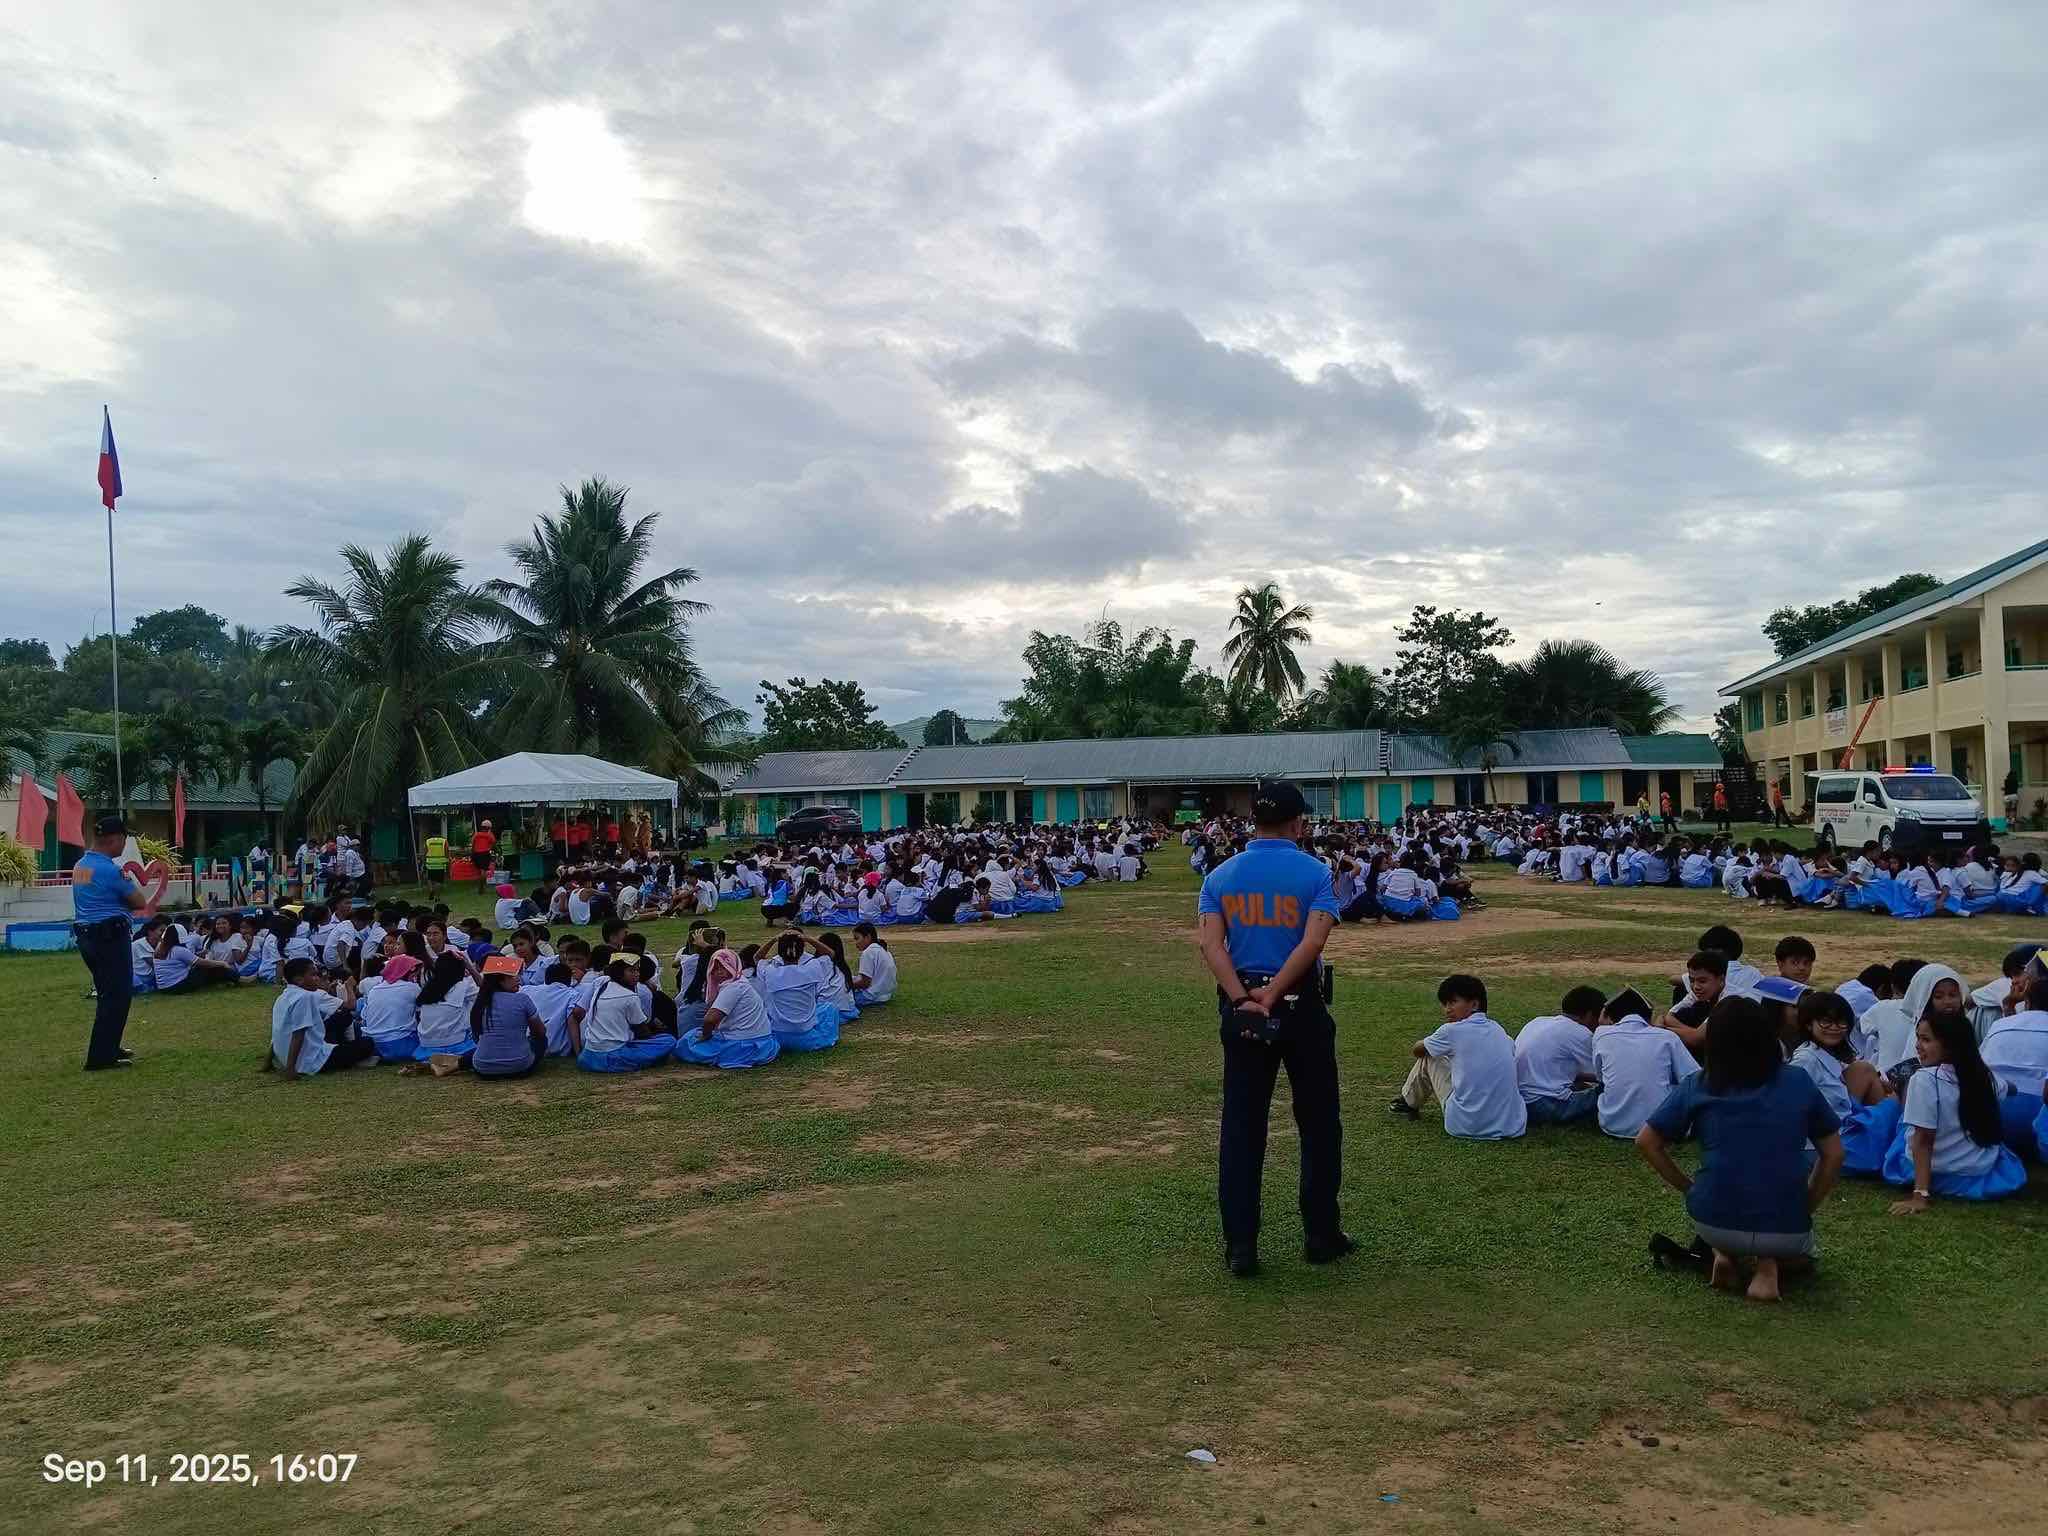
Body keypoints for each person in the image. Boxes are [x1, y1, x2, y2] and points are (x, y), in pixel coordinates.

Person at [1195, 779, 1348, 1278]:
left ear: (1252, 821)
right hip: (1301, 1008)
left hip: (1240, 1013)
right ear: (1300, 823)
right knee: (1319, 1124)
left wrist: (1244, 998)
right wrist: (1276, 991)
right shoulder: (1315, 873)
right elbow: (1312, 942)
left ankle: (1241, 1246)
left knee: (1241, 1128)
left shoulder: (1220, 876)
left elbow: (1212, 947)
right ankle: (1321, 1235)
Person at [1636, 997, 1844, 1303]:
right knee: (1801, 1252)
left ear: (1714, 1041)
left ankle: (1725, 1255)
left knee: (1729, 1213)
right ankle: (1767, 1268)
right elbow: (1834, 1154)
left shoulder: (1699, 1083)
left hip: (1712, 1223)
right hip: (1786, 1229)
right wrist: (1806, 1205)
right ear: (1767, 1035)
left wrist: (1689, 1189)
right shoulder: (1798, 1081)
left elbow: (1646, 1141)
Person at [1884, 1010, 2028, 1208]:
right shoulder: (1984, 1077)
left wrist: (1920, 1194)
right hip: (1976, 1176)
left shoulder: (1924, 1079)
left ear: (1950, 1046)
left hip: (1935, 1175)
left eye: (1925, 1040)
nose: (1917, 1046)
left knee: (1904, 1124)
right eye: (1918, 1038)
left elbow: (1923, 1139)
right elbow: (2011, 1089)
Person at [1392, 975, 1527, 1139]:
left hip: (1465, 1125)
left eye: (1453, 1002)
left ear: (1475, 1004)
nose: (1447, 1009)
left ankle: (1408, 1102)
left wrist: (1428, 1042)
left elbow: (1418, 1051)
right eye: (1445, 1003)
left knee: (1430, 1055)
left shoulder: (1450, 1031)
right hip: (1511, 1126)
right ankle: (1408, 1101)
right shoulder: (1499, 1031)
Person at [71, 816, 157, 1071]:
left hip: (88, 936)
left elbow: (92, 895)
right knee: (117, 995)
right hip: (109, 936)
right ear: (115, 839)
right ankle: (100, 1057)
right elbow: (139, 901)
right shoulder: (111, 869)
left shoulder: (81, 866)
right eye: (124, 839)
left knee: (107, 993)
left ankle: (109, 1046)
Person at [1595, 987, 1697, 1139]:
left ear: (1607, 1016)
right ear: (1648, 1018)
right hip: (1662, 1128)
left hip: (1612, 1125)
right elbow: (1693, 1078)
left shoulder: (1601, 1035)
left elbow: (1601, 1079)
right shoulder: (1666, 1037)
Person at [268, 958, 376, 1078]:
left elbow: (277, 1032)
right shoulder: (304, 997)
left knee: (342, 1021)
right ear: (299, 980)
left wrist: (268, 1062)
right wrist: (290, 1069)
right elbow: (298, 1032)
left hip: (289, 1056)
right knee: (367, 1043)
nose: (317, 979)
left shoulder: (283, 997)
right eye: (313, 975)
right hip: (310, 1061)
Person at [1514, 986, 1606, 1127]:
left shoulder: (1538, 1021)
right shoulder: (1581, 1033)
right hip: (1545, 1106)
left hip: (1520, 1102)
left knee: (1582, 1085)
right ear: (1589, 1015)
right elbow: (1609, 1073)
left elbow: (1550, 1069)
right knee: (1610, 1091)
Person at [676, 947, 781, 1069]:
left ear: (735, 965)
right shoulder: (741, 982)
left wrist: (706, 1036)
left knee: (687, 1041)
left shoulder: (733, 987)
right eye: (716, 967)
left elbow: (710, 1020)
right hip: (763, 1044)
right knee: (694, 1035)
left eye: (724, 966)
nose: (719, 971)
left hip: (742, 1047)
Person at [470, 955, 547, 1079]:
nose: (518, 979)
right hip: (519, 1067)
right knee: (541, 1041)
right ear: (500, 980)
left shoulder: (480, 1002)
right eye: (512, 976)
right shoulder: (522, 999)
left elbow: (476, 1038)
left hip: (483, 1069)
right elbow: (540, 1032)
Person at [850, 923, 897, 1006]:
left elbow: (865, 983)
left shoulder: (868, 952)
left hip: (871, 996)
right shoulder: (883, 950)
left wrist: (847, 986)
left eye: (857, 938)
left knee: (838, 998)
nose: (855, 943)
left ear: (867, 937)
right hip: (885, 995)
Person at [471, 819, 497, 891]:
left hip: (476, 853)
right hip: (484, 853)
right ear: (489, 828)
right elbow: (493, 844)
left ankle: (480, 884)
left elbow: (473, 844)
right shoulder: (490, 836)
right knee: (483, 870)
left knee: (478, 869)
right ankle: (482, 885)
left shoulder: (476, 834)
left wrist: (472, 853)